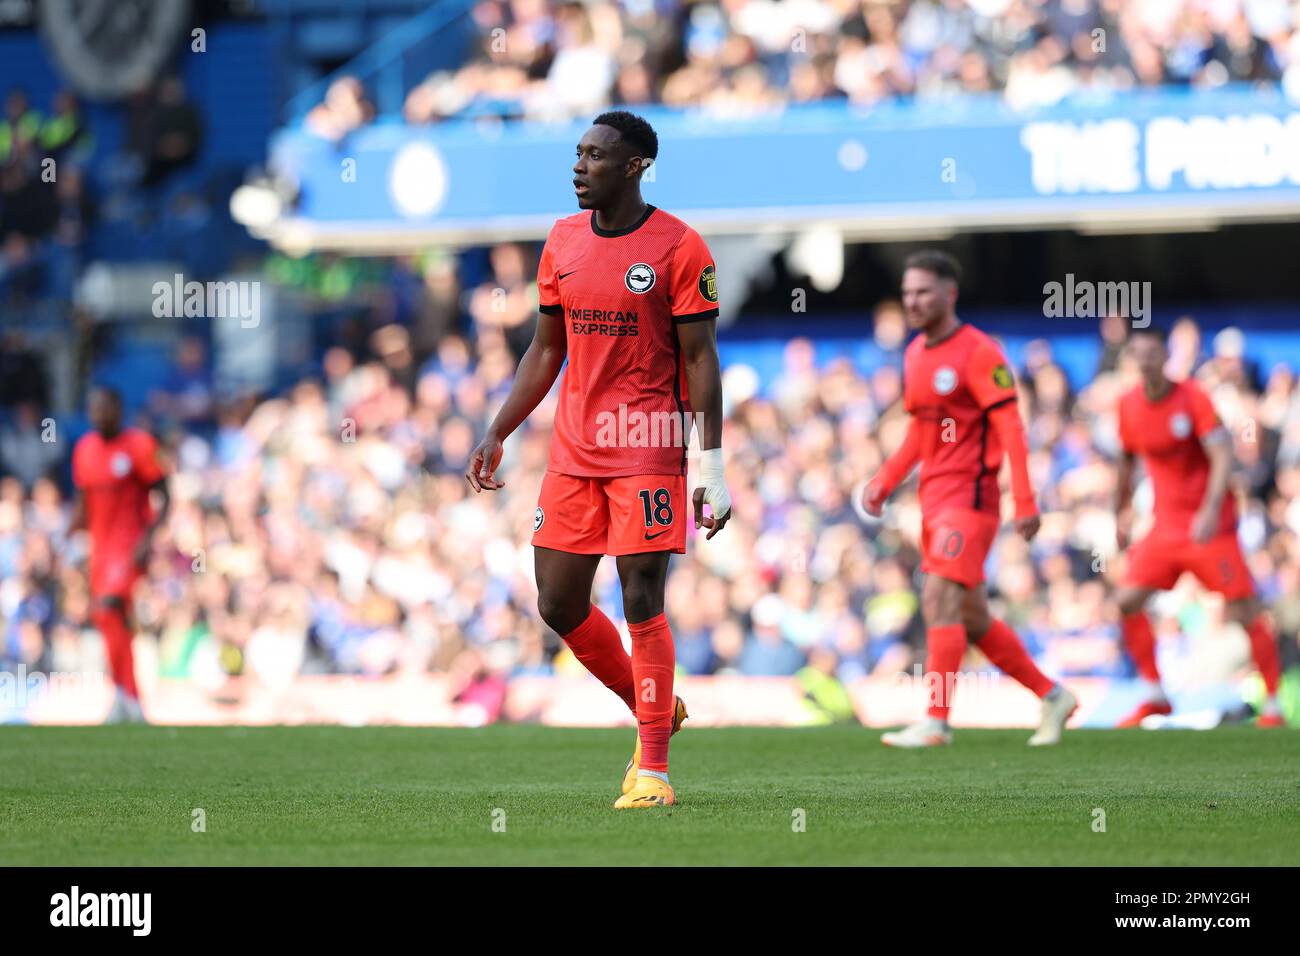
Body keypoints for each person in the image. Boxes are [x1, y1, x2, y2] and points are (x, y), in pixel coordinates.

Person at [465, 111, 731, 807]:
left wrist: (712, 468)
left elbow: (701, 360)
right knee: (557, 600)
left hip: (646, 444)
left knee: (640, 594)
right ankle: (655, 707)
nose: (580, 166)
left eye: (596, 156)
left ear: (636, 166)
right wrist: (499, 428)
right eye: (578, 154)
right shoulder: (562, 241)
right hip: (576, 449)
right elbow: (546, 349)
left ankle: (653, 772)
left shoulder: (680, 247)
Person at [862, 251, 1077, 747]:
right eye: (908, 292)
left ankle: (936, 721)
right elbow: (922, 429)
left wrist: (1024, 499)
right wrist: (886, 478)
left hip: (972, 501)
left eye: (924, 292)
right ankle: (1052, 696)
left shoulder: (979, 352)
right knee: (973, 618)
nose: (913, 301)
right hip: (934, 501)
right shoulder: (915, 354)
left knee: (937, 597)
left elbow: (1011, 428)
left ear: (949, 294)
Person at [1113, 326, 1283, 727]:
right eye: (1138, 353)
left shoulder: (1192, 397)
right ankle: (1156, 694)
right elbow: (1125, 462)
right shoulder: (1128, 405)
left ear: (1165, 356)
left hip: (1211, 526)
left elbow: (1222, 455)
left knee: (1244, 610)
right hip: (1165, 526)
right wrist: (1119, 512)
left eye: (1153, 352)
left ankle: (1272, 704)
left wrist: (1209, 509)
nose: (1146, 360)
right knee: (1126, 601)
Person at [70, 386, 169, 722]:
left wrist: (149, 538)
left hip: (129, 549)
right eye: (92, 410)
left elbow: (165, 494)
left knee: (110, 606)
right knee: (107, 619)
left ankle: (127, 697)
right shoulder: (84, 450)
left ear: (118, 409)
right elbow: (84, 502)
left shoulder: (140, 445)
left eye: (103, 409)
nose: (97, 416)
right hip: (100, 549)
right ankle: (127, 694)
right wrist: (71, 539)